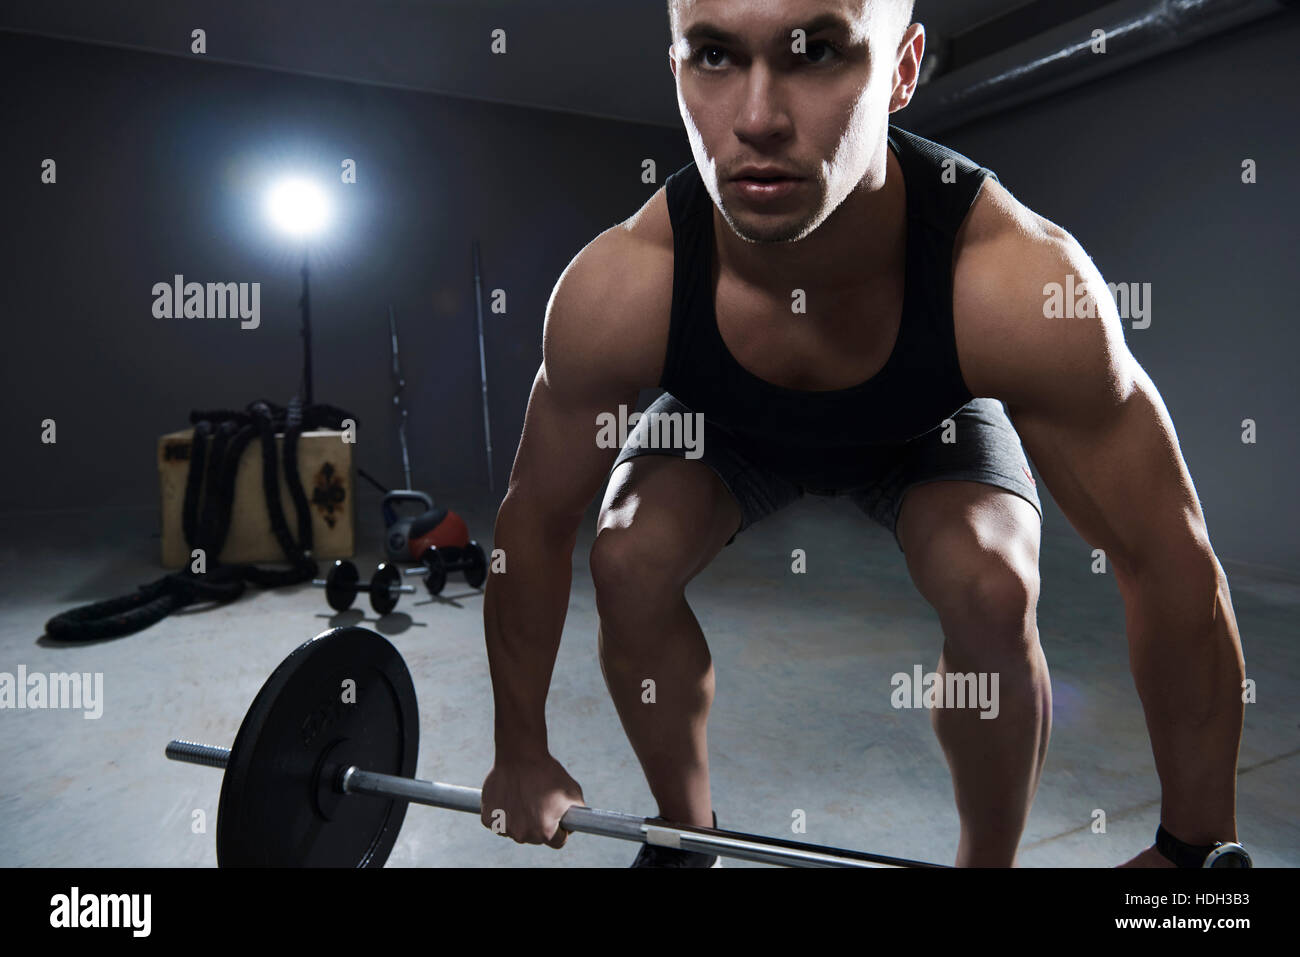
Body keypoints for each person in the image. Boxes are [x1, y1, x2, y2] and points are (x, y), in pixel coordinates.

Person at [478, 0, 1246, 867]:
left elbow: (1171, 559)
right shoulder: (623, 288)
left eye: (818, 55)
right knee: (626, 556)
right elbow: (532, 521)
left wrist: (1193, 850)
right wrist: (520, 751)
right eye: (717, 57)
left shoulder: (1014, 283)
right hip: (731, 426)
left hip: (924, 425)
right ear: (677, 68)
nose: (759, 119)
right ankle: (686, 832)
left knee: (991, 587)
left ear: (903, 70)